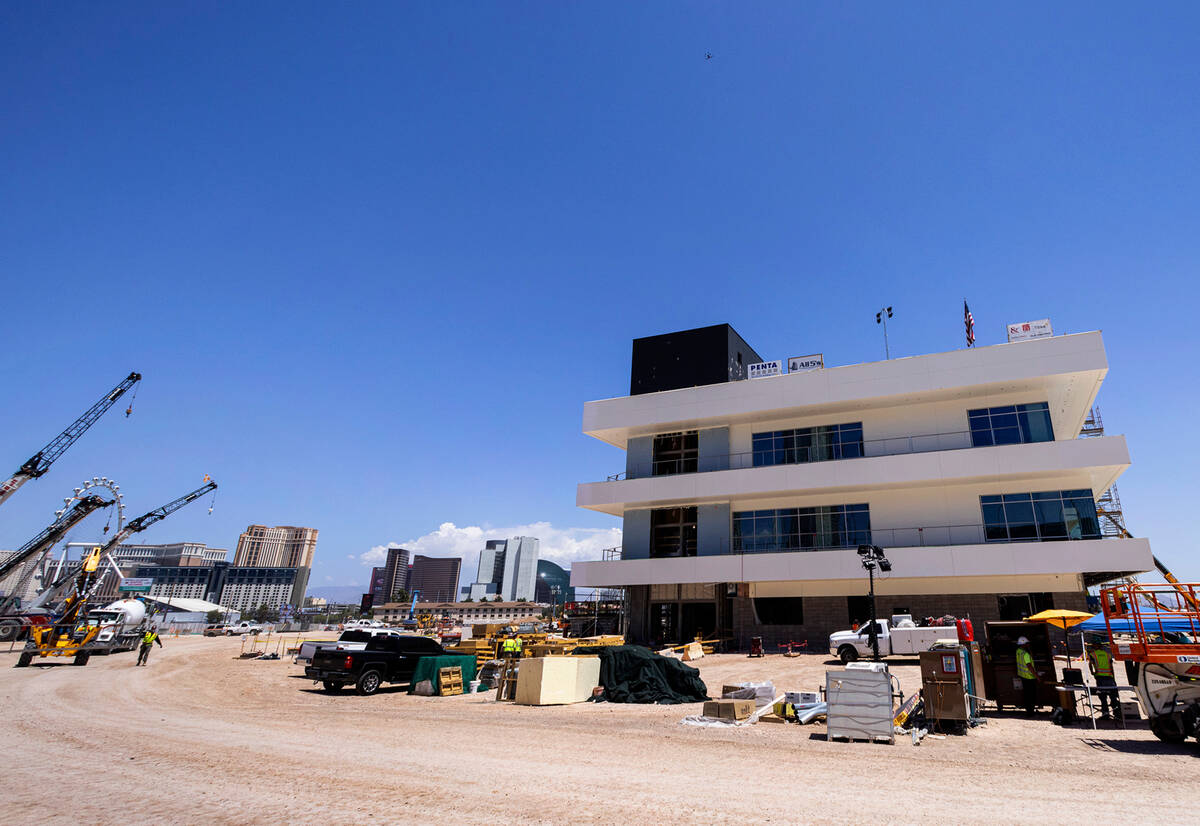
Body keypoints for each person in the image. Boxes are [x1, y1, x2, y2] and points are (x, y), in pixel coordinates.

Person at [1088, 639, 1118, 720]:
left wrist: (1092, 672)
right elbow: (1111, 667)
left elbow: (1090, 664)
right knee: (1113, 696)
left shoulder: (1093, 654)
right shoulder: (1107, 654)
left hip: (1100, 677)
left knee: (1103, 696)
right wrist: (1113, 677)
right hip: (1110, 677)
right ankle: (1117, 713)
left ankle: (1105, 714)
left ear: (1094, 646)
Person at [1015, 636, 1039, 716]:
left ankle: (1029, 710)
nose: (1028, 645)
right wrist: (1037, 677)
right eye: (1027, 644)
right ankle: (1030, 712)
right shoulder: (1025, 654)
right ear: (1024, 644)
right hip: (1029, 677)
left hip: (1022, 676)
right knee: (1031, 695)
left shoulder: (1018, 651)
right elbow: (1029, 666)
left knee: (1027, 694)